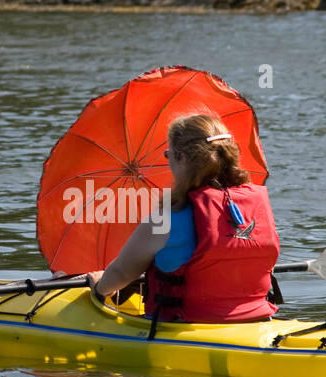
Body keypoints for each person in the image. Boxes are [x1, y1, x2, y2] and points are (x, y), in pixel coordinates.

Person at [86, 113, 280, 324]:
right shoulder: (258, 206)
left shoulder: (166, 218)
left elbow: (122, 272)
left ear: (182, 158)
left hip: (186, 326)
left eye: (169, 155)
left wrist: (99, 287)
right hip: (256, 320)